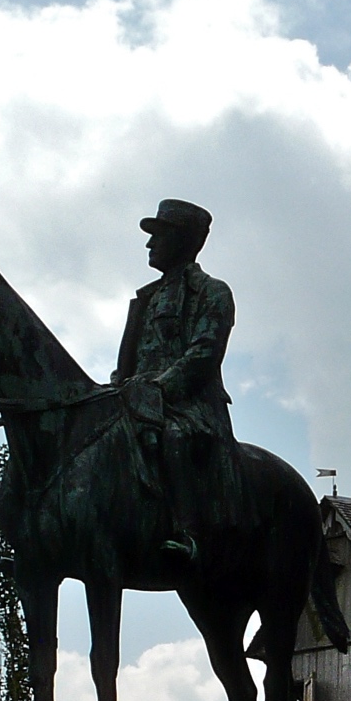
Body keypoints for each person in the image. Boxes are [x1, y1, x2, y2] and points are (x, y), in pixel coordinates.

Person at [113, 198, 244, 562]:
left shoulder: (212, 292)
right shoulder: (144, 299)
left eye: (159, 235)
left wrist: (159, 389)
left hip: (190, 406)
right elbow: (127, 363)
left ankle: (186, 533)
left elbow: (204, 353)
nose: (149, 244)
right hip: (138, 401)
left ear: (184, 241)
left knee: (174, 437)